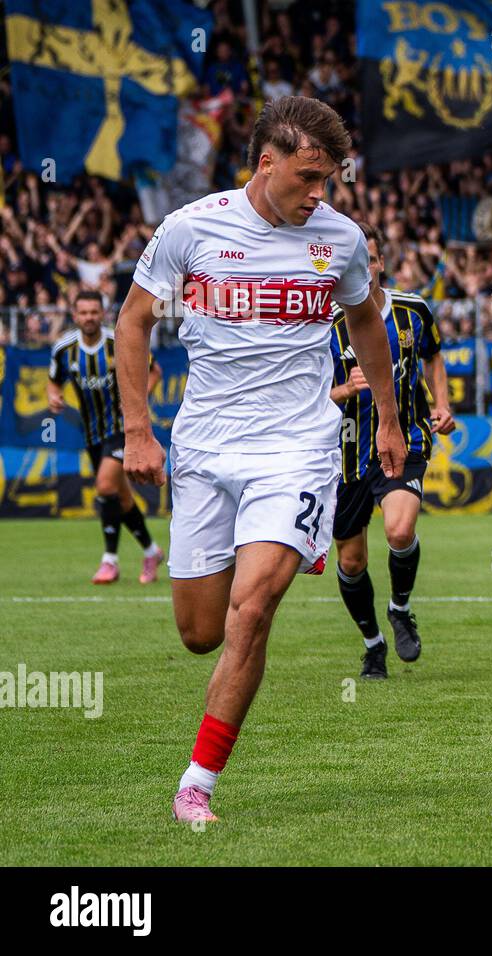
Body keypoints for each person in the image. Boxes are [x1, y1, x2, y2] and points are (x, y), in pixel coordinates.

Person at [114, 96, 404, 824]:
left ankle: (197, 784)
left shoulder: (339, 240)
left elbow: (367, 322)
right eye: (308, 177)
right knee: (200, 632)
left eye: (329, 180)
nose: (319, 194)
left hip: (298, 447)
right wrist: (138, 432)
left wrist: (389, 419)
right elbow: (132, 321)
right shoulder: (189, 230)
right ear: (265, 162)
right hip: (206, 446)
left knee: (253, 609)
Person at [329, 222, 456, 680]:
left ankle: (400, 609)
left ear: (380, 264)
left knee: (400, 531)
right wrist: (344, 388)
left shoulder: (413, 310)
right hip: (344, 455)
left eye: (371, 259)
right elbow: (305, 392)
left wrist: (441, 404)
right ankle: (372, 644)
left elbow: (433, 355)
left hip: (406, 438)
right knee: (351, 561)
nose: (364, 267)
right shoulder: (325, 323)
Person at [47, 290, 165, 584]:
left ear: (103, 314)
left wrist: (137, 400)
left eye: (93, 312)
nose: (89, 317)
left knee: (104, 485)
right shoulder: (64, 349)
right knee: (121, 497)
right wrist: (54, 397)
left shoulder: (117, 343)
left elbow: (155, 371)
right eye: (83, 312)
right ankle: (151, 551)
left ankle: (109, 561)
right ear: (74, 315)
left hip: (122, 431)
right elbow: (53, 382)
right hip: (92, 435)